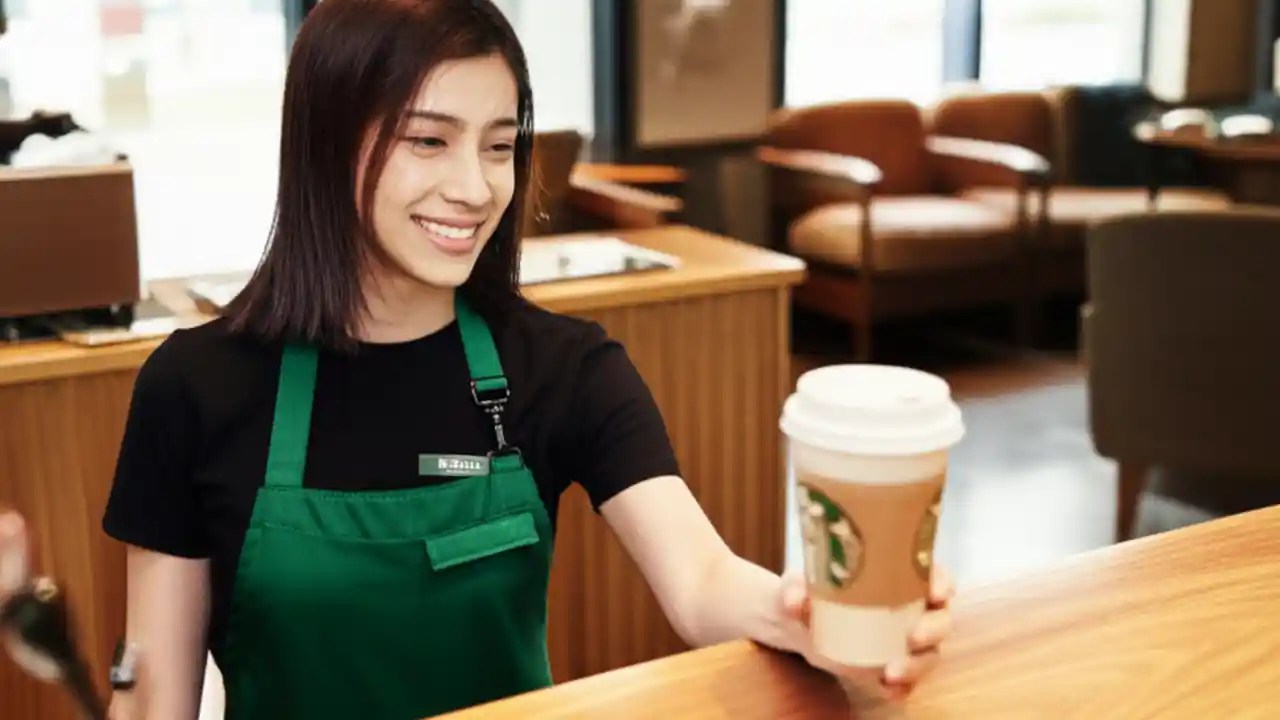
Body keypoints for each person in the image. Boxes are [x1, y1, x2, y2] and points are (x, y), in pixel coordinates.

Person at [13, 1, 960, 718]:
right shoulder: (196, 388)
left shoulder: (564, 368)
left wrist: (812, 615)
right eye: (429, 141)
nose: (473, 188)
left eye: (500, 148)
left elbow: (703, 581)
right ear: (323, 144)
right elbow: (160, 693)